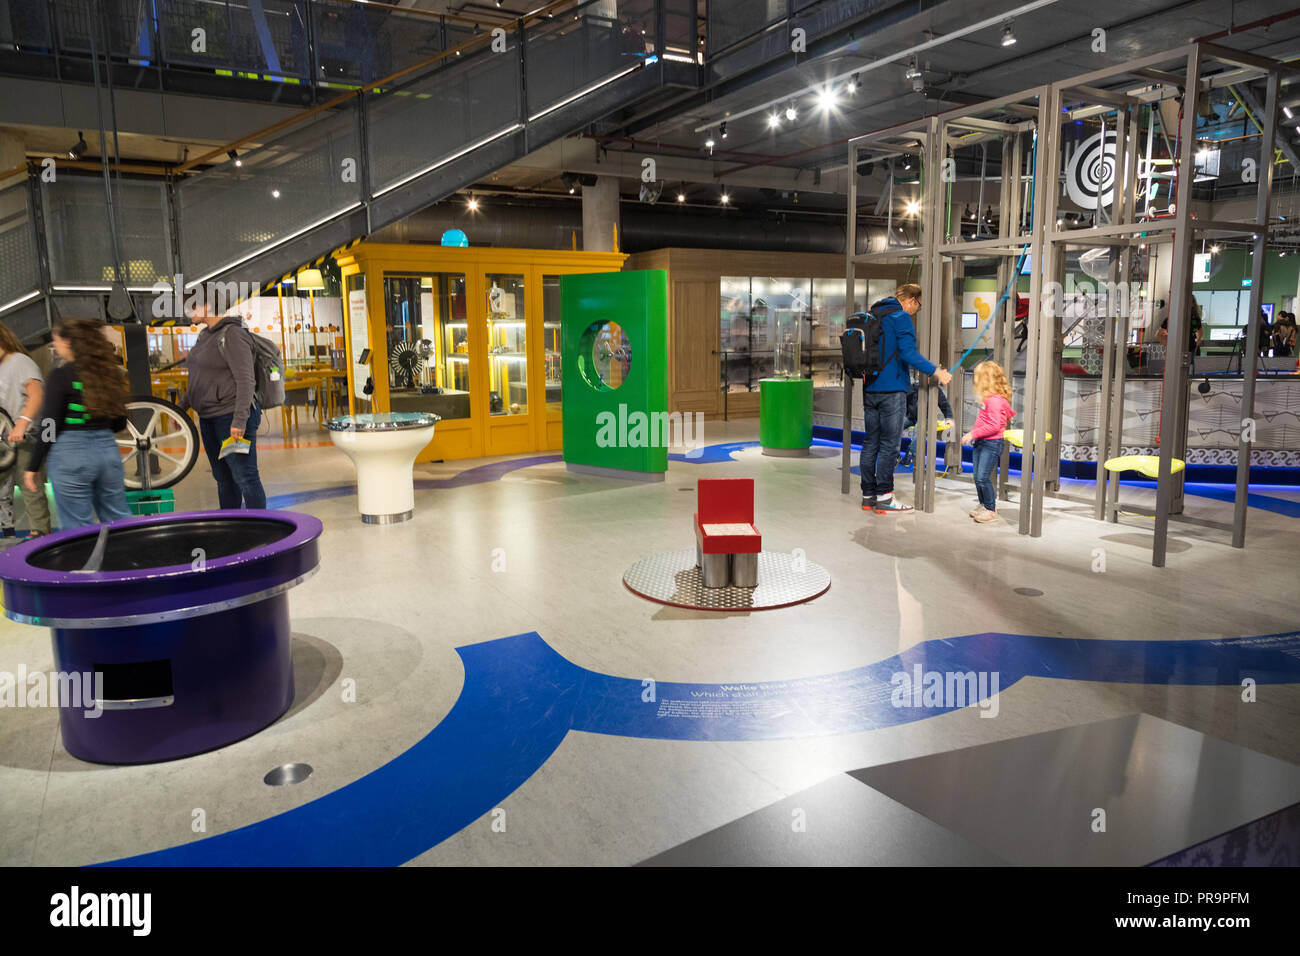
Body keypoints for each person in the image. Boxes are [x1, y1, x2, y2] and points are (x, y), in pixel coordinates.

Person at [23, 319, 131, 529]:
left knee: (77, 530)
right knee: (119, 522)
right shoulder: (109, 375)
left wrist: (34, 465)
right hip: (107, 453)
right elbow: (119, 423)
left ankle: (86, 563)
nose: (55, 345)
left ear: (69, 342)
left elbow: (50, 424)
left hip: (70, 456)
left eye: (56, 340)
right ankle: (130, 561)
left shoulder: (60, 376)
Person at [860, 283, 953, 514]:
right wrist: (936, 371)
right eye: (918, 306)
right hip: (892, 390)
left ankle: (868, 496)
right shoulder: (900, 318)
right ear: (910, 300)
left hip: (870, 388)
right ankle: (885, 497)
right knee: (889, 444)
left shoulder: (873, 314)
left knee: (871, 442)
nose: (916, 311)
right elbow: (908, 353)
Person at [180, 302, 267, 509]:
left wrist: (239, 420)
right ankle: (232, 526)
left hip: (230, 418)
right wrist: (180, 409)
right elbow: (199, 379)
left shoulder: (233, 334)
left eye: (190, 307)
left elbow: (246, 380)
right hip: (208, 417)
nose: (187, 312)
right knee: (223, 478)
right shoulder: (204, 336)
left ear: (207, 305)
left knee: (244, 477)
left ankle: (262, 530)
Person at [0, 322, 52, 537]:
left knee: (31, 487)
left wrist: (21, 424)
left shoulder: (20, 361)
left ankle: (40, 535)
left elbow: (36, 394)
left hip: (24, 440)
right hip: (4, 443)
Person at [960, 360, 1016, 524]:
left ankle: (990, 509)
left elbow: (993, 425)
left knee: (983, 477)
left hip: (991, 444)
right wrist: (976, 435)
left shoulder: (994, 401)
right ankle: (983, 504)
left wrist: (972, 433)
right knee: (978, 477)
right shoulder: (990, 399)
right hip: (982, 442)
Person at [899, 372, 954, 469]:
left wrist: (948, 418)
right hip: (911, 416)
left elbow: (945, 405)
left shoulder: (935, 390)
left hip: (926, 418)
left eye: (929, 376)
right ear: (919, 374)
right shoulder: (914, 387)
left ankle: (910, 455)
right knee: (896, 426)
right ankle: (894, 453)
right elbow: (904, 401)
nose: (928, 378)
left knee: (919, 429)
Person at [1156, 300, 1203, 368]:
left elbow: (1200, 334)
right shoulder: (1171, 318)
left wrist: (1195, 345)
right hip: (1176, 352)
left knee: (1187, 370)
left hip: (1188, 351)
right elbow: (1158, 335)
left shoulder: (1195, 319)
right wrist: (1169, 345)